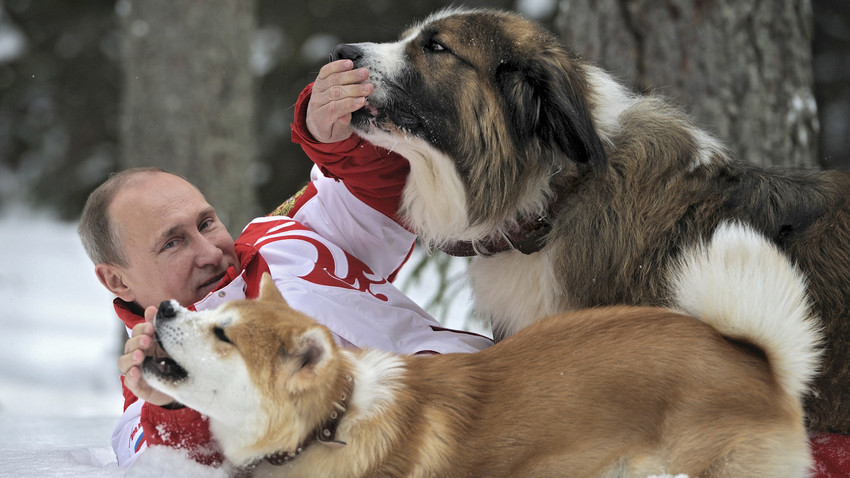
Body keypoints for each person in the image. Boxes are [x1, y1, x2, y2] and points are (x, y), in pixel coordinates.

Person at [78, 59, 493, 468]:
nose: (208, 252)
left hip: (495, 391)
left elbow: (389, 189)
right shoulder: (149, 398)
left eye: (207, 222)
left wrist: (329, 133)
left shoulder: (283, 236)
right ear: (117, 280)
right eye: (173, 243)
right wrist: (176, 398)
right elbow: (173, 464)